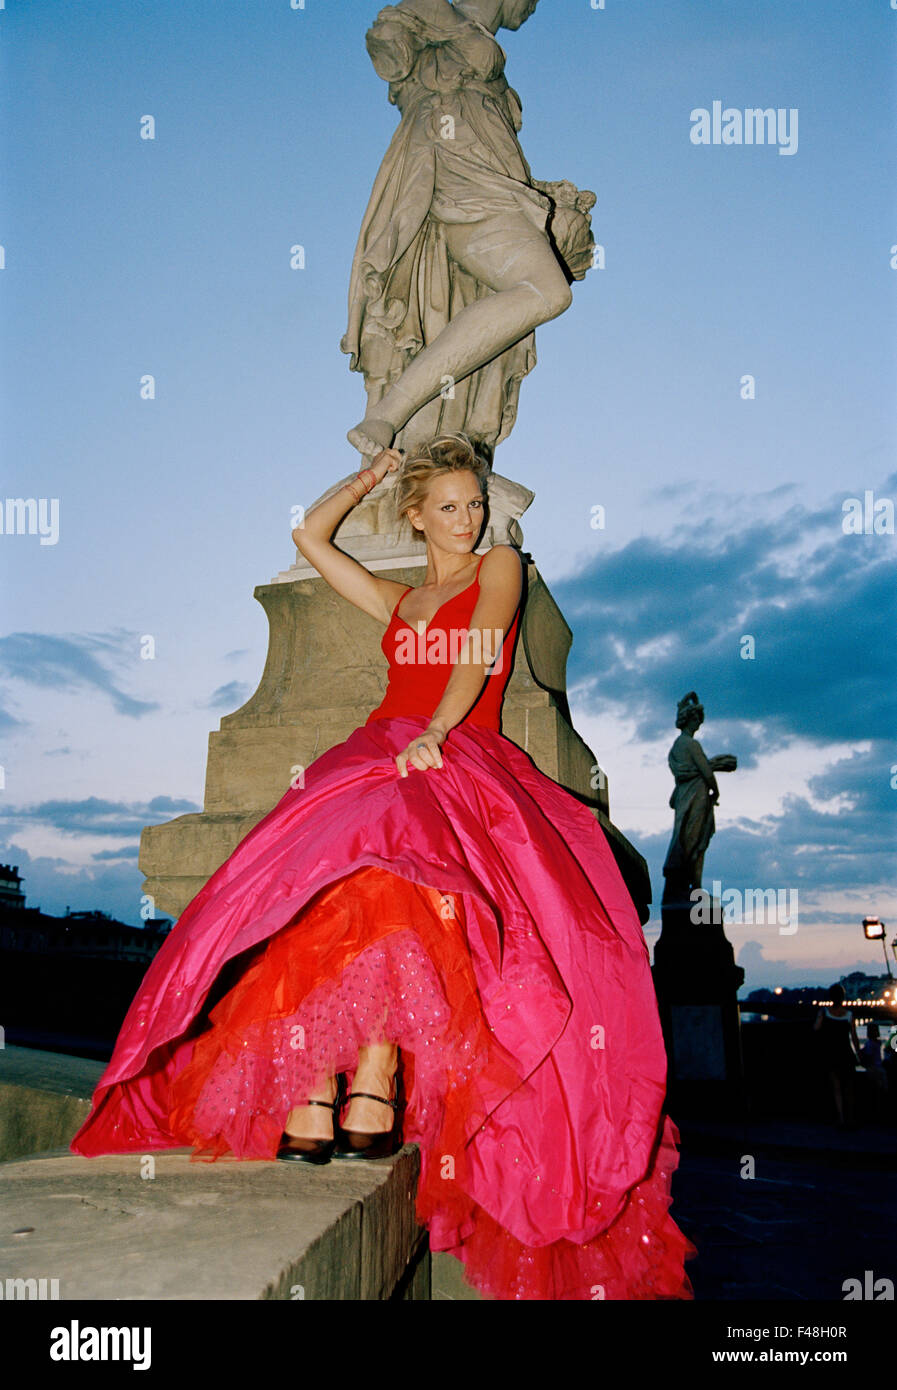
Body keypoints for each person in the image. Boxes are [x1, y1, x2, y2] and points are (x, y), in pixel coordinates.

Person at [71, 433, 697, 1301]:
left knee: (398, 879)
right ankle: (325, 1077)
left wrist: (439, 733)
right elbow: (312, 542)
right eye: (449, 506)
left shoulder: (501, 567)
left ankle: (364, 1077)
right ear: (415, 515)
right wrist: (368, 475)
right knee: (328, 887)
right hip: (383, 749)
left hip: (456, 750)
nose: (468, 518)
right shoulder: (403, 606)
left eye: (473, 504)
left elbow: (479, 652)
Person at [342, 0, 590, 459]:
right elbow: (387, 50)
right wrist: (452, 29)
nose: (534, 7)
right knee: (547, 292)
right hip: (451, 175)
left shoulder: (477, 47)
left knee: (521, 302)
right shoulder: (432, 14)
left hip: (492, 183)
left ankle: (423, 438)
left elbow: (497, 151)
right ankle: (389, 414)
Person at [813, 984, 861, 1129]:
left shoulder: (824, 1012)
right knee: (849, 1087)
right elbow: (854, 1037)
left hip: (831, 1053)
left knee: (836, 1088)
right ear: (843, 997)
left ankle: (840, 1118)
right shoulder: (849, 1015)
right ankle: (851, 1118)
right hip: (846, 1052)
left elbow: (816, 1028)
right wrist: (858, 1053)